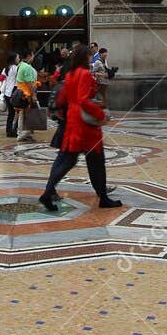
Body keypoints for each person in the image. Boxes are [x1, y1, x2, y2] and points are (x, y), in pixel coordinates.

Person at [37, 43, 121, 211]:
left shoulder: (70, 75)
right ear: (85, 57)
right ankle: (103, 198)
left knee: (66, 160)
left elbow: (64, 98)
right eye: (89, 55)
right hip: (85, 125)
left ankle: (47, 193)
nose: (91, 58)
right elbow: (83, 100)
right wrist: (100, 114)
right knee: (96, 161)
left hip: (72, 122)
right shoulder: (84, 74)